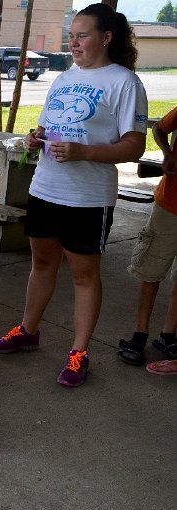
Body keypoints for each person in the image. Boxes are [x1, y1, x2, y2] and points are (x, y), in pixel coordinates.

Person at [0, 3, 148, 388]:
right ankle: (28, 330)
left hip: (88, 198)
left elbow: (134, 146)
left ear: (106, 38)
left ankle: (79, 352)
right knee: (41, 263)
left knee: (83, 275)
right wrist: (34, 138)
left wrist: (85, 152)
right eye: (71, 36)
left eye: (82, 35)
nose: (72, 43)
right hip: (46, 187)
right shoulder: (64, 79)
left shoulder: (124, 82)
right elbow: (48, 126)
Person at [116, 106, 177, 367]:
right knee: (150, 272)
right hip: (170, 206)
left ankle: (168, 335)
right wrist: (168, 153)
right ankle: (139, 335)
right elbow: (159, 127)